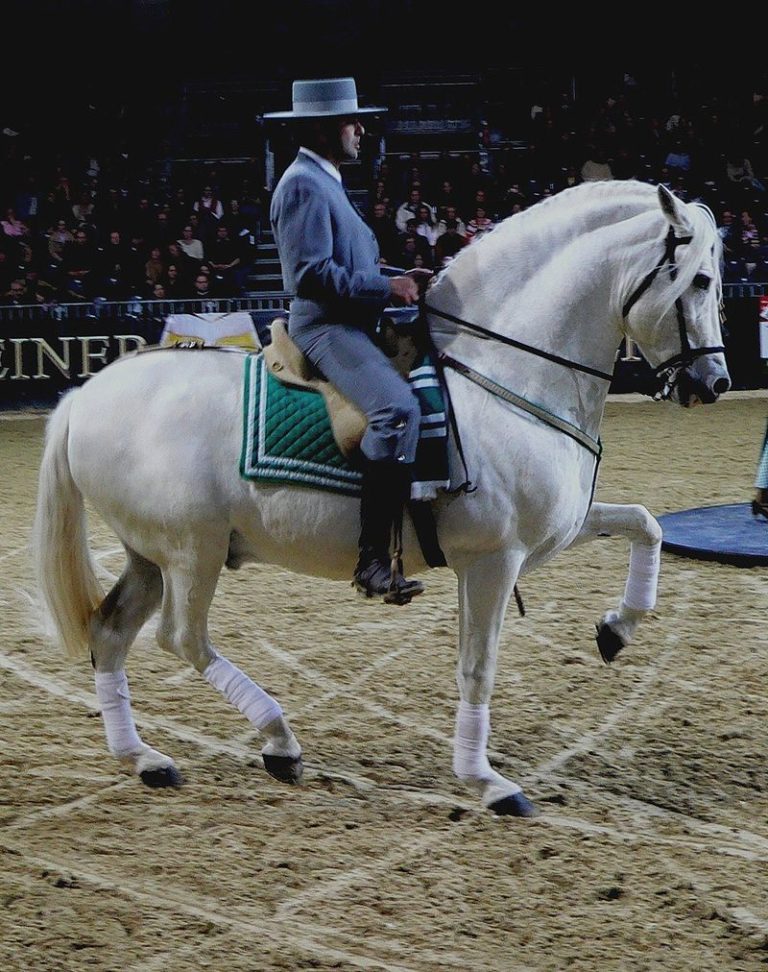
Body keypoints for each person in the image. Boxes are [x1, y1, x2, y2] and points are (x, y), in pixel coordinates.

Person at [265, 77, 431, 604]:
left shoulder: (326, 181)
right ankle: (372, 561)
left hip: (353, 321)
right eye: (351, 121)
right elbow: (310, 275)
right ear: (322, 129)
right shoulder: (302, 185)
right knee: (396, 411)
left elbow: (348, 264)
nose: (361, 129)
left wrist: (402, 278)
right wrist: (386, 287)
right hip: (325, 327)